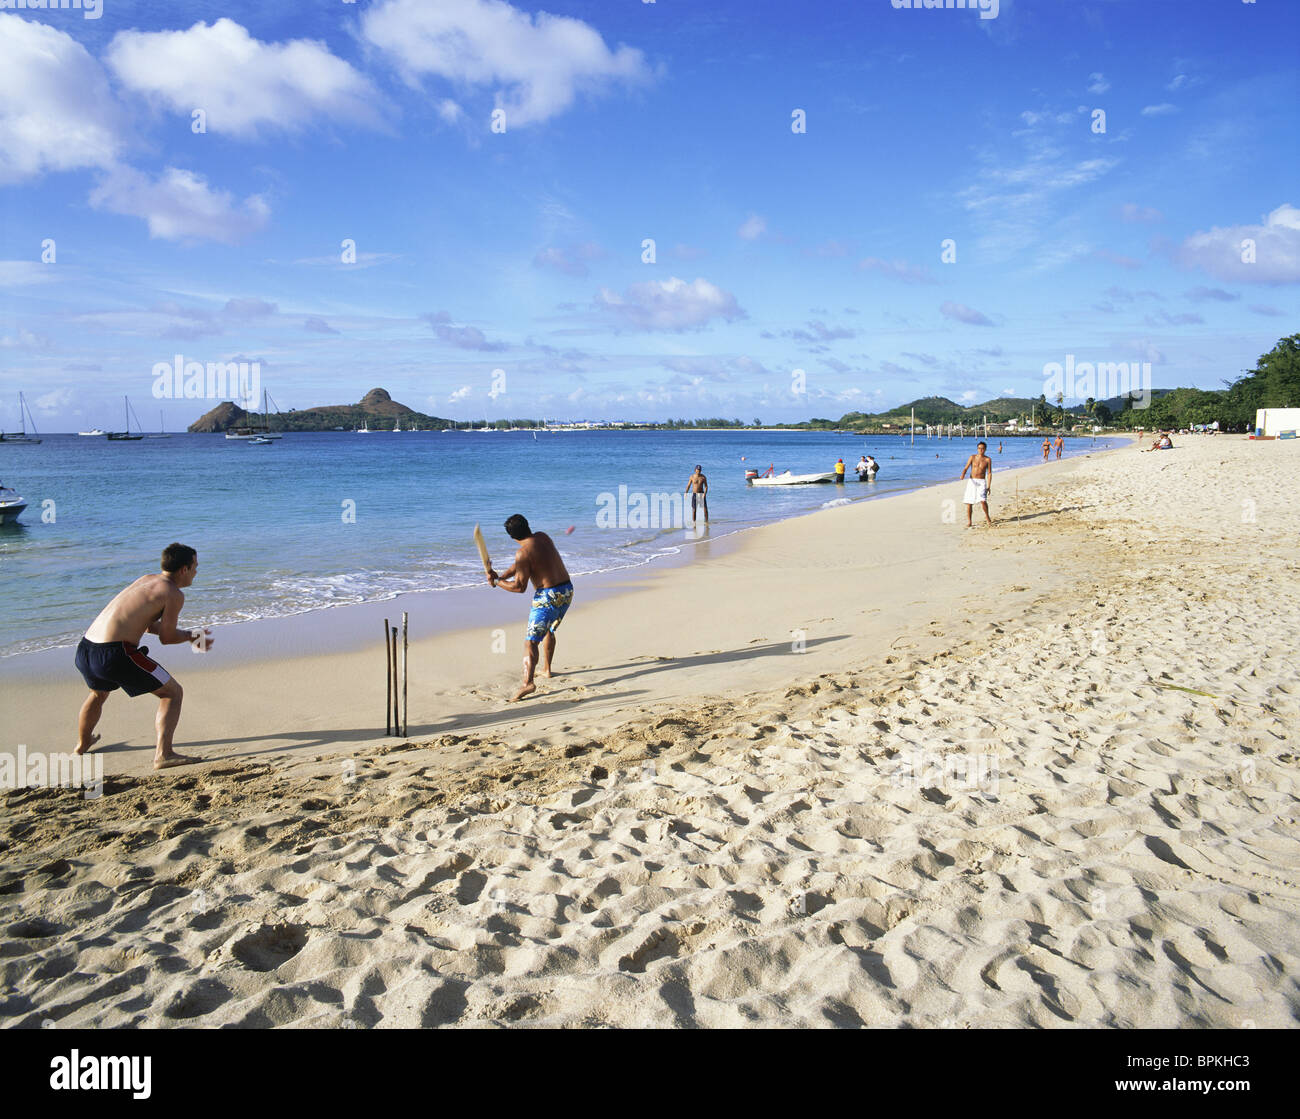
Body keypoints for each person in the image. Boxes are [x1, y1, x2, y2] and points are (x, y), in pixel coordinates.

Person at [74, 542, 212, 769]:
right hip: (115, 653)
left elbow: (148, 626)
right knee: (173, 693)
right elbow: (166, 638)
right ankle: (164, 755)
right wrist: (191, 636)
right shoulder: (173, 593)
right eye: (195, 566)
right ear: (184, 570)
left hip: (87, 648)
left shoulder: (146, 579)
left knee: (98, 694)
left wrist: (189, 635)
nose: (197, 571)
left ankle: (82, 744)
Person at [488, 514, 574, 702]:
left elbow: (519, 587)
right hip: (566, 590)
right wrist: (501, 576)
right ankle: (547, 670)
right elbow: (519, 565)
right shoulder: (542, 537)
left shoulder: (523, 552)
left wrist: (496, 582)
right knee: (549, 629)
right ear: (528, 526)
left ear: (512, 537)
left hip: (548, 597)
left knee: (530, 642)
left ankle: (528, 683)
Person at [959, 441, 994, 527]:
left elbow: (989, 473)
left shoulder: (987, 459)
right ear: (977, 449)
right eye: (979, 448)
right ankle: (970, 521)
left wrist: (989, 486)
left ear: (985, 449)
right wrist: (963, 474)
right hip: (972, 481)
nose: (980, 450)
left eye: (982, 448)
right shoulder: (972, 457)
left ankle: (987, 517)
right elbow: (966, 467)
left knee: (983, 501)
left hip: (981, 481)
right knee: (969, 502)